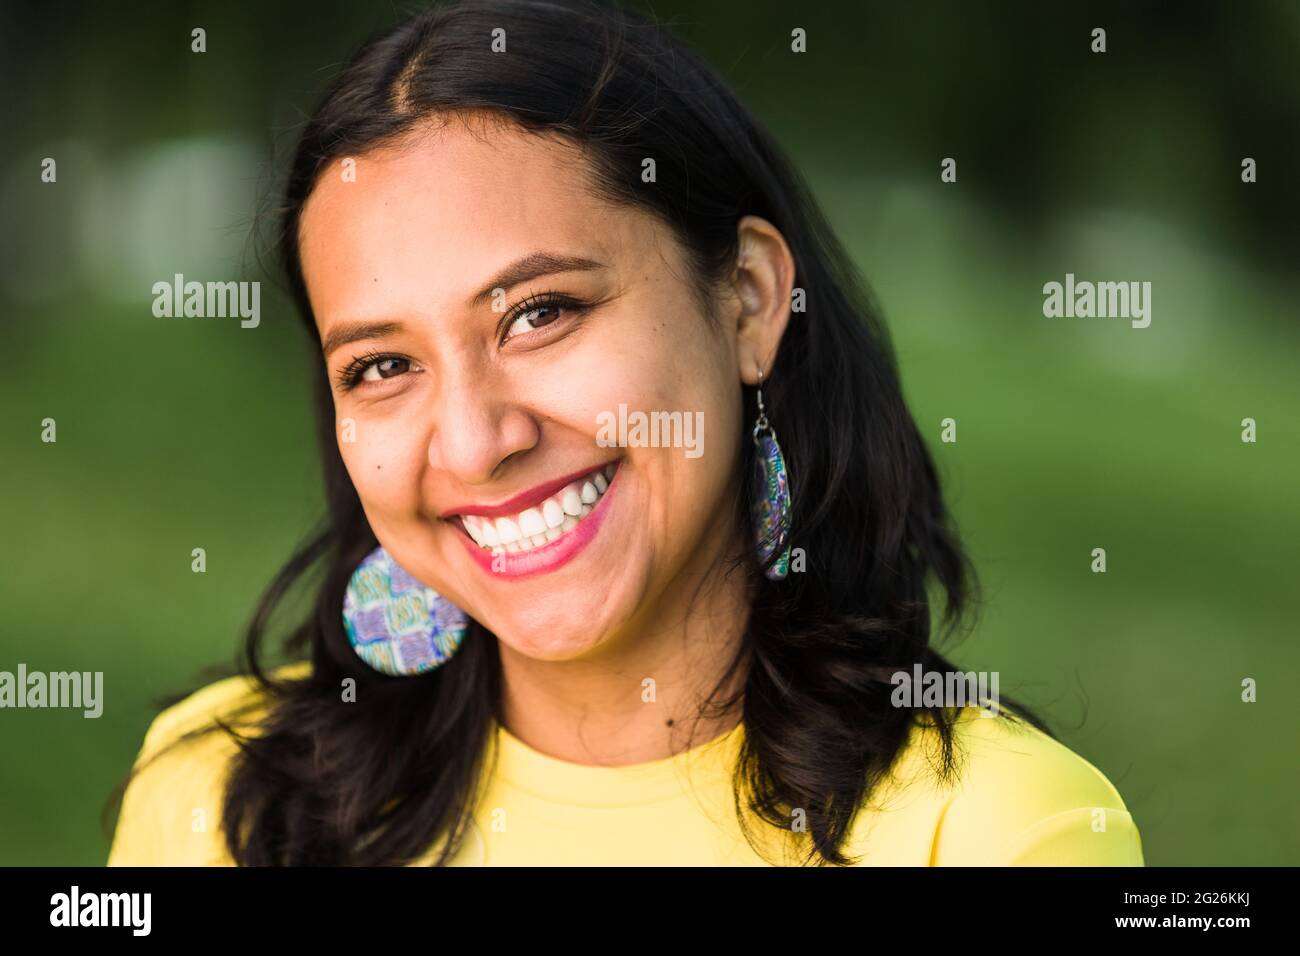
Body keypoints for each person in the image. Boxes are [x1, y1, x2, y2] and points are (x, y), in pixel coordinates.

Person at [107, 0, 1143, 867]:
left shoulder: (993, 831)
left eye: (540, 312)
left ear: (744, 297)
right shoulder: (216, 798)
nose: (473, 442)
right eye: (382, 366)